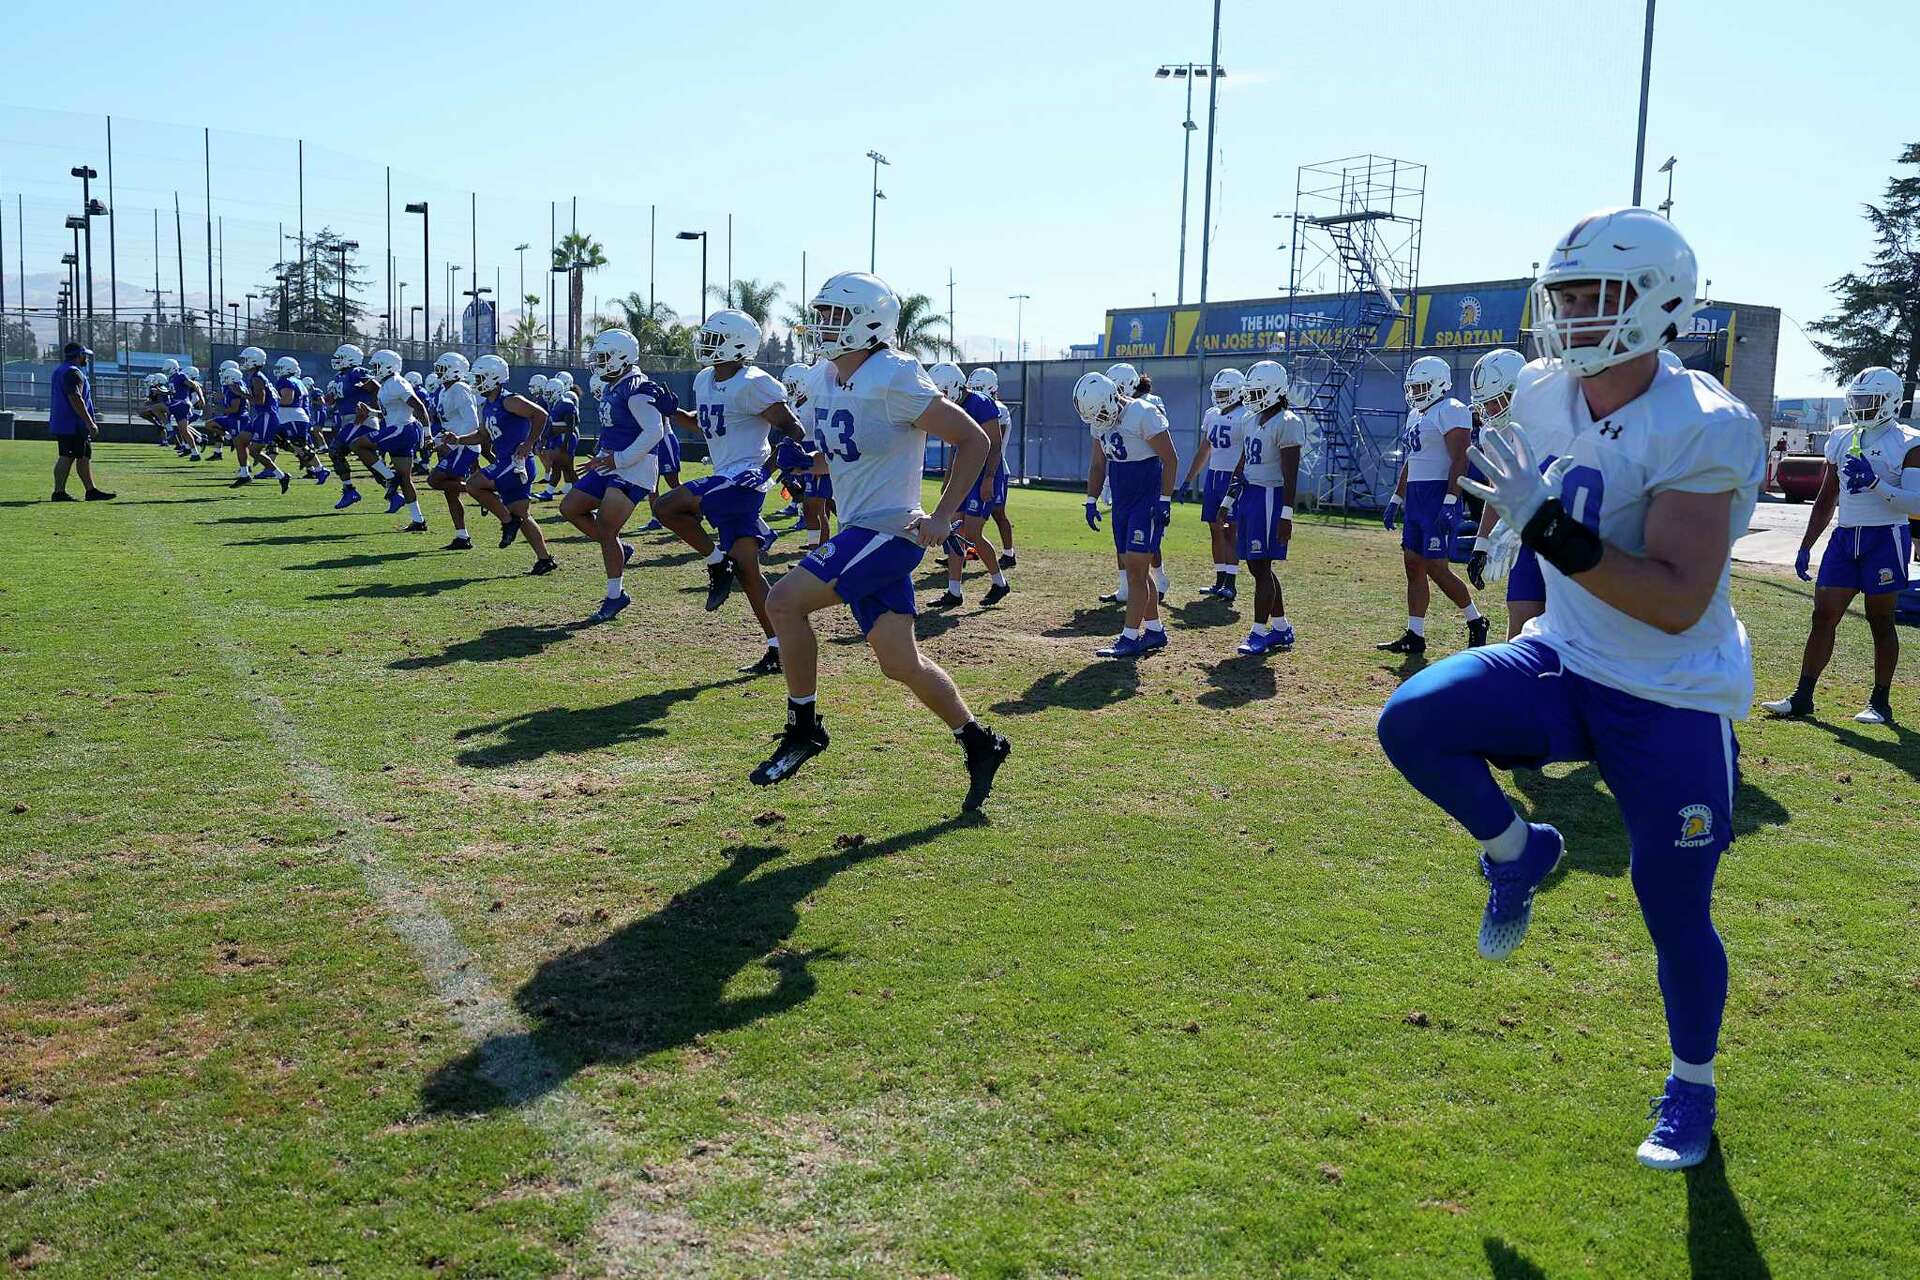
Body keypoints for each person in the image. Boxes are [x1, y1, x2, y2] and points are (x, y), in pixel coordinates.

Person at [1376, 207, 1764, 1171]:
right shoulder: (1548, 391)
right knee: (1413, 719)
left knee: (1672, 907)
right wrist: (1520, 529)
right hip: (1565, 658)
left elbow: (1676, 601)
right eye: (1567, 295)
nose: (1577, 314)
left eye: (1600, 295)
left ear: (1659, 302)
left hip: (1671, 688)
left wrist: (1546, 527)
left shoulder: (1702, 423)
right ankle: (1520, 849)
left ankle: (1692, 1086)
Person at [751, 271, 1011, 807]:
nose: (823, 325)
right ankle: (981, 742)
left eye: (834, 316)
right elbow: (855, 450)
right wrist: (809, 467)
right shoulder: (828, 377)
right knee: (899, 662)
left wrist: (943, 516)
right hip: (861, 530)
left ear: (869, 323)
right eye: (821, 314)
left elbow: (973, 438)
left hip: (889, 531)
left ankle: (804, 727)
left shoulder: (894, 375)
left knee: (783, 601)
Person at [1761, 365, 1920, 724]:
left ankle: (1880, 701)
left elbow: (1917, 503)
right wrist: (1806, 544)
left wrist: (1876, 483)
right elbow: (1826, 496)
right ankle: (1803, 696)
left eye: (1871, 400)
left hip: (1885, 537)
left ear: (1891, 401)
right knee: (1822, 616)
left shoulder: (1908, 441)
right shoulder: (1841, 435)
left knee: (1880, 620)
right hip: (1845, 537)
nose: (1863, 407)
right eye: (1859, 399)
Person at [655, 308, 807, 675]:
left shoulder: (754, 382)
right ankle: (778, 648)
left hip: (744, 479)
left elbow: (794, 430)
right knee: (748, 571)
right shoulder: (706, 379)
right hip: (725, 474)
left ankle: (714, 561)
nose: (705, 343)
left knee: (666, 506)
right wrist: (673, 412)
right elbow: (702, 425)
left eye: (714, 338)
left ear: (737, 344)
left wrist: (768, 470)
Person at [1377, 355, 1488, 654]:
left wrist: (1451, 500)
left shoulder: (1451, 410)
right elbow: (1412, 461)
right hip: (1416, 497)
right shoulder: (1416, 414)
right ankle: (1416, 633)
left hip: (1438, 495)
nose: (1416, 392)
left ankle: (1476, 621)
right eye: (1413, 386)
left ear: (1440, 383)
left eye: (1422, 385)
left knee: (1438, 569)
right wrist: (1396, 498)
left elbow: (1460, 458)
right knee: (1413, 565)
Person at [567, 329, 678, 623]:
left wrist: (618, 459)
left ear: (622, 358)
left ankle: (616, 596)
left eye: (603, 358)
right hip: (610, 461)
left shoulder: (637, 388)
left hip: (633, 467)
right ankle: (620, 548)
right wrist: (604, 456)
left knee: (605, 526)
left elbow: (654, 432)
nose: (598, 364)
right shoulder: (614, 385)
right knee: (570, 508)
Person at [1078, 370, 1177, 657]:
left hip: (1145, 500)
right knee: (1137, 570)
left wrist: (1165, 500)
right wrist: (1090, 499)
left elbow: (1170, 458)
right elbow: (1098, 465)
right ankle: (1155, 630)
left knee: (1135, 570)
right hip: (1121, 501)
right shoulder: (1099, 420)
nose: (1098, 421)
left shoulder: (1144, 413)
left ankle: (1130, 637)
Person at [1463, 349, 1555, 639]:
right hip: (1527, 533)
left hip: (1568, 527)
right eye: (1485, 404)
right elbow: (1497, 490)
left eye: (1493, 402)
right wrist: (1481, 545)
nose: (1489, 411)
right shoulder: (1494, 435)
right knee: (1520, 617)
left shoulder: (1554, 420)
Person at [1227, 361, 1306, 654]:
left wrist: (1287, 514)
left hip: (1271, 498)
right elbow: (1244, 460)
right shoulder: (1250, 419)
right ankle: (1282, 628)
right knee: (1256, 566)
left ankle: (1259, 632)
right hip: (1250, 495)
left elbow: (1291, 474)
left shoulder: (1288, 422)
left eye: (1258, 390)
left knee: (1262, 567)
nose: (1253, 396)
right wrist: (1229, 498)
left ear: (1275, 390)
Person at [459, 354, 556, 571]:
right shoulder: (488, 405)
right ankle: (544, 559)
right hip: (508, 463)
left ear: (494, 377)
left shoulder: (510, 400)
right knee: (523, 516)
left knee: (474, 484)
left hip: (515, 462)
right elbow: (482, 435)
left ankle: (506, 520)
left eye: (480, 377)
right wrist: (457, 439)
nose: (476, 382)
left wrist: (530, 442)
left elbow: (540, 414)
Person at [927, 362, 1011, 609]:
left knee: (972, 533)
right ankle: (954, 590)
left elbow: (994, 445)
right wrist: (948, 479)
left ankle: (999, 582)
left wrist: (988, 479)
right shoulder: (953, 408)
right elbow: (956, 447)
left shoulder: (981, 403)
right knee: (952, 530)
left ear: (954, 385)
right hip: (964, 475)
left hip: (984, 474)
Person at [1098, 361, 1172, 604]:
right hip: (1122, 477)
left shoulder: (1147, 406)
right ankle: (1125, 588)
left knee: (1146, 542)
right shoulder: (1107, 411)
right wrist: (1108, 481)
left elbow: (1163, 452)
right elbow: (1111, 449)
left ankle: (1159, 578)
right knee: (1124, 540)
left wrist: (1164, 497)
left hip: (1146, 481)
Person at [1182, 366, 1250, 600]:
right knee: (1214, 530)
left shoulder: (1246, 416)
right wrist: (1189, 479)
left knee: (1231, 530)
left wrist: (1240, 479)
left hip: (1233, 478)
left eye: (1224, 392)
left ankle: (1231, 583)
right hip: (1213, 477)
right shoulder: (1212, 414)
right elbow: (1205, 448)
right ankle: (1219, 579)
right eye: (1218, 392)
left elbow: (1248, 453)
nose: (1220, 397)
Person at [364, 351, 431, 531]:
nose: (374, 369)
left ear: (388, 365)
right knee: (406, 479)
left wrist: (427, 433)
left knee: (358, 444)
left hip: (402, 430)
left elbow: (418, 405)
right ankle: (418, 520)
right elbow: (391, 412)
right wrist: (371, 413)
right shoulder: (387, 384)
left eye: (377, 365)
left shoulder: (396, 382)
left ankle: (389, 476)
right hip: (398, 429)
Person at [426, 352, 485, 550]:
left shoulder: (460, 388)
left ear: (454, 369)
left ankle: (486, 491)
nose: (438, 372)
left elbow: (472, 423)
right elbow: (449, 423)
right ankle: (462, 536)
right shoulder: (445, 390)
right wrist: (436, 440)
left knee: (435, 480)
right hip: (453, 445)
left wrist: (450, 442)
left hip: (464, 446)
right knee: (450, 492)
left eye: (442, 368)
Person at [46, 341, 113, 501]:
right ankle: (59, 492)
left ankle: (91, 490)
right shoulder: (72, 372)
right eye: (85, 355)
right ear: (79, 356)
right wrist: (90, 422)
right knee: (67, 456)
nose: (87, 359)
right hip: (72, 423)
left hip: (69, 422)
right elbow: (75, 398)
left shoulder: (62, 370)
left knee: (83, 456)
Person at [783, 361, 833, 551]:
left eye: (792, 385)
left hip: (816, 454)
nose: (790, 390)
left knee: (818, 507)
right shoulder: (794, 403)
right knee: (809, 507)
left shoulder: (816, 401)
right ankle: (815, 551)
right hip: (802, 455)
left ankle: (821, 551)